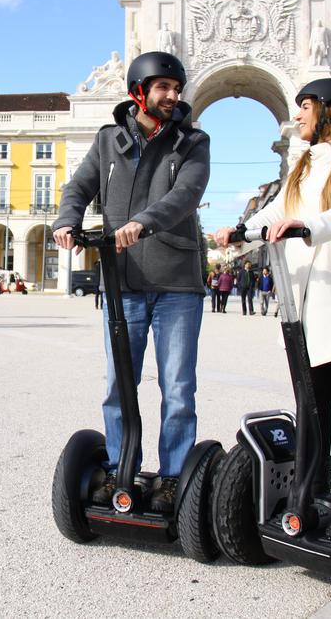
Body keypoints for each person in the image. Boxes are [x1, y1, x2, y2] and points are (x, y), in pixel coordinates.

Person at [215, 77, 331, 539]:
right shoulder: (304, 162)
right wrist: (241, 229)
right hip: (304, 296)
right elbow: (278, 211)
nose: (298, 116)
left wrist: (309, 224)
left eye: (305, 106)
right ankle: (311, 489)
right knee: (310, 403)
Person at [52, 51, 210, 513]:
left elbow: (187, 194)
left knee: (178, 387)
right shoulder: (108, 142)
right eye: (163, 87)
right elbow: (79, 186)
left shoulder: (192, 141)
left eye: (176, 89)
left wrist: (144, 221)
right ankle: (122, 468)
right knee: (119, 384)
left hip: (177, 284)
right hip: (122, 284)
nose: (172, 96)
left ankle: (172, 478)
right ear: (139, 91)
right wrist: (67, 220)